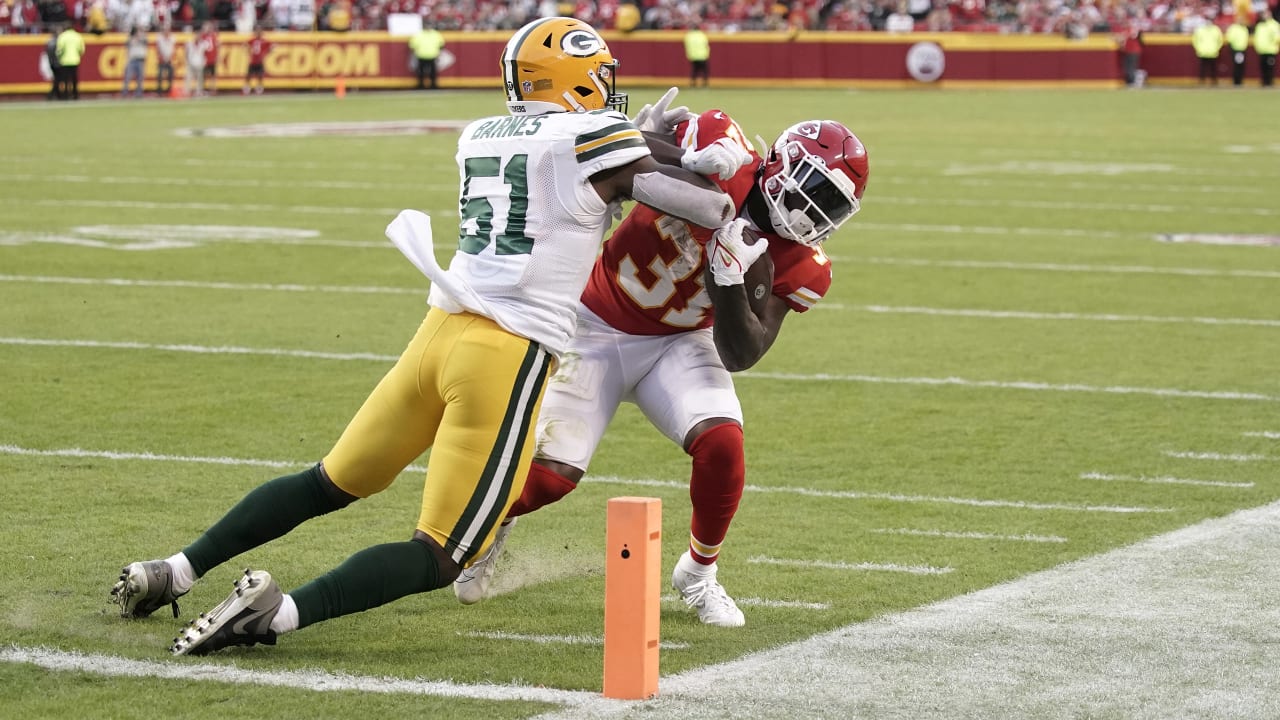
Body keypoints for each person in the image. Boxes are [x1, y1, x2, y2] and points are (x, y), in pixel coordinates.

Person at [109, 17, 735, 656]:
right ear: (574, 81)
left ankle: (175, 570)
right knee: (441, 555)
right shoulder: (593, 133)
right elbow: (707, 208)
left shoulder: (480, 131)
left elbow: (579, 158)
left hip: (437, 334)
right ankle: (273, 616)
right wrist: (701, 165)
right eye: (599, 78)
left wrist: (656, 147)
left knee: (329, 480)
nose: (608, 91)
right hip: (506, 354)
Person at [452, 91, 869, 628]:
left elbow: (742, 353)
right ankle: (490, 527)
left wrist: (728, 280)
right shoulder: (724, 146)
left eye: (833, 205)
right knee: (552, 476)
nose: (818, 213)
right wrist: (647, 139)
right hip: (594, 322)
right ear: (784, 165)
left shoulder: (806, 266)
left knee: (723, 443)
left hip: (679, 341)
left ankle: (697, 573)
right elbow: (607, 154)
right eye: (816, 191)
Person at [409, 22, 444, 89]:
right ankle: (421, 85)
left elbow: (441, 45)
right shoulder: (419, 34)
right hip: (422, 55)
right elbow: (413, 45)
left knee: (432, 72)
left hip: (432, 55)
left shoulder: (435, 34)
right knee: (421, 72)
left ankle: (433, 85)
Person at [55, 22, 85, 100]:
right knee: (74, 79)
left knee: (65, 80)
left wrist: (59, 57)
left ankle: (65, 95)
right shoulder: (77, 36)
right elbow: (81, 49)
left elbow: (59, 50)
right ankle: (75, 95)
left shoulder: (62, 36)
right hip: (75, 60)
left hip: (64, 61)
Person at [1192, 19, 1224, 86]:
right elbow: (1195, 40)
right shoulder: (1200, 30)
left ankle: (1214, 81)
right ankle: (1202, 81)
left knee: (1213, 68)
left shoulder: (1216, 30)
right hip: (1203, 52)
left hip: (1213, 52)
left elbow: (1220, 40)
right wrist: (1199, 49)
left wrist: (1216, 48)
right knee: (1202, 68)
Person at [1256, 8, 1280, 87]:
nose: (1264, 16)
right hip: (1262, 50)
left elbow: (1277, 37)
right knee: (1263, 67)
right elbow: (1257, 37)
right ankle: (1264, 82)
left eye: (1266, 14)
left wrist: (1273, 42)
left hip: (1271, 50)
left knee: (1270, 67)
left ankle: (1269, 82)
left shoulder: (1274, 25)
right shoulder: (1260, 25)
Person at [243, 26, 270, 95]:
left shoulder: (264, 41)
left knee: (260, 76)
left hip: (259, 60)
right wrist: (249, 52)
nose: (258, 33)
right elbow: (245, 44)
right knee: (249, 76)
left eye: (259, 31)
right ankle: (247, 88)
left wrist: (265, 54)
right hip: (253, 60)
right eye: (257, 31)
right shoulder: (253, 40)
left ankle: (259, 89)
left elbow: (271, 46)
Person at [122, 27, 148, 98]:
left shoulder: (143, 38)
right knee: (128, 77)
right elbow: (127, 45)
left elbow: (145, 42)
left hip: (140, 60)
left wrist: (140, 37)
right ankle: (124, 93)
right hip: (132, 59)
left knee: (140, 78)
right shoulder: (131, 39)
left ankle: (139, 94)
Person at [1225, 17, 1250, 86]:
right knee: (1237, 66)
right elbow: (1230, 38)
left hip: (1242, 50)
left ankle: (1239, 81)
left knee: (1240, 66)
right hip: (1236, 49)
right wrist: (1232, 49)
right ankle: (1237, 82)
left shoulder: (1244, 28)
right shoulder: (1233, 28)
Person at [684, 23, 710, 87]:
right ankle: (705, 84)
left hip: (693, 56)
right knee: (705, 71)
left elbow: (687, 46)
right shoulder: (702, 35)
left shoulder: (689, 35)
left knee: (694, 71)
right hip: (703, 56)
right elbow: (706, 45)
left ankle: (693, 84)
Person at [198, 21, 219, 95]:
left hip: (211, 58)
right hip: (205, 58)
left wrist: (217, 56)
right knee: (203, 75)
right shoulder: (203, 36)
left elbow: (217, 47)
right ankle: (202, 89)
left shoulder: (213, 36)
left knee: (212, 75)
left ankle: (213, 89)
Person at [155, 25, 176, 95]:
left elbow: (173, 50)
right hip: (162, 60)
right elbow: (158, 49)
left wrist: (169, 58)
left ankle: (169, 90)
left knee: (171, 75)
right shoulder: (159, 38)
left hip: (169, 59)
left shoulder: (172, 38)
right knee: (160, 75)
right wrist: (162, 58)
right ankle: (159, 91)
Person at [44, 27, 61, 100]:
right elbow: (57, 53)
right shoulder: (57, 42)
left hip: (52, 62)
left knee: (56, 79)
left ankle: (57, 94)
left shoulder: (49, 41)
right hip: (56, 63)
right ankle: (52, 94)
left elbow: (47, 53)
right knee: (58, 79)